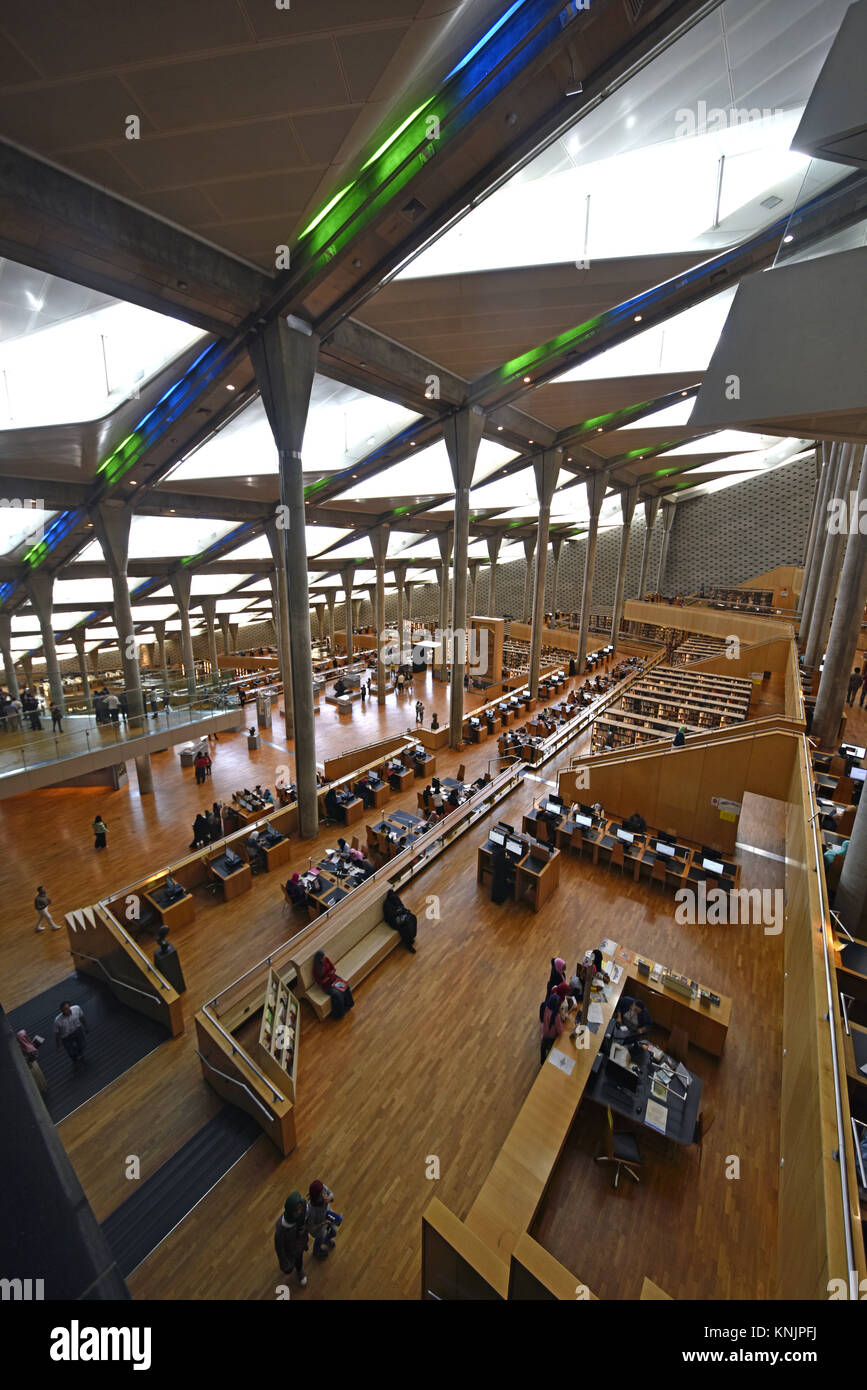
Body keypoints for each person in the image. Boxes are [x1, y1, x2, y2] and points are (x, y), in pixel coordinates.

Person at [274, 1192, 309, 1287]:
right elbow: (279, 1248)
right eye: (296, 1210)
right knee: (290, 1265)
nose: (300, 1211)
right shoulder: (281, 1229)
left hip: (299, 1246)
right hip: (289, 1251)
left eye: (300, 1208)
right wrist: (284, 1263)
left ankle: (299, 1270)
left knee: (299, 1259)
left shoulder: (302, 1212)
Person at [313, 950, 355, 1017]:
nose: (324, 958)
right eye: (323, 958)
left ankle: (349, 1004)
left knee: (345, 987)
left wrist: (331, 972)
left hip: (334, 979)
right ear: (319, 959)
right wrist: (327, 977)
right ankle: (340, 1013)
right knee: (338, 994)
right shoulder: (316, 970)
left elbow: (332, 968)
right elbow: (320, 982)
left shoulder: (326, 959)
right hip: (327, 985)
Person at [306, 1180, 343, 1256]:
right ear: (315, 1198)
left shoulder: (322, 1188)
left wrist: (330, 1197)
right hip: (319, 1227)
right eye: (321, 1195)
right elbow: (311, 1228)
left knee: (334, 1231)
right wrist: (323, 1223)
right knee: (320, 1238)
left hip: (328, 1215)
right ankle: (317, 1250)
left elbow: (331, 1194)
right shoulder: (311, 1210)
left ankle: (326, 1240)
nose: (324, 1195)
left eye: (324, 1192)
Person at [54, 1000, 89, 1072]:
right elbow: (57, 1034)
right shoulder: (57, 1021)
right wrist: (58, 1045)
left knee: (82, 1045)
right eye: (64, 1010)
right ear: (62, 1011)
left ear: (70, 1007)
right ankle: (75, 1060)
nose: (66, 1011)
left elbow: (82, 1017)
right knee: (71, 1051)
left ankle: (80, 1054)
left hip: (77, 1030)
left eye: (67, 1008)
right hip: (66, 1036)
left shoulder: (76, 1008)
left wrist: (86, 1027)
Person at [383, 888, 417, 952]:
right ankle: (408, 944)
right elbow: (389, 916)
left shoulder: (395, 898)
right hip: (393, 920)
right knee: (404, 926)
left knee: (413, 917)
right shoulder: (386, 904)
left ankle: (412, 936)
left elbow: (401, 906)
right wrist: (399, 912)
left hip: (400, 915)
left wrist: (405, 911)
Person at [539, 991, 563, 1066]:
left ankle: (542, 1062)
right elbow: (559, 1030)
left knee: (543, 1047)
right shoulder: (556, 1016)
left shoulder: (546, 1008)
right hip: (552, 1036)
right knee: (552, 1050)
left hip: (544, 1032)